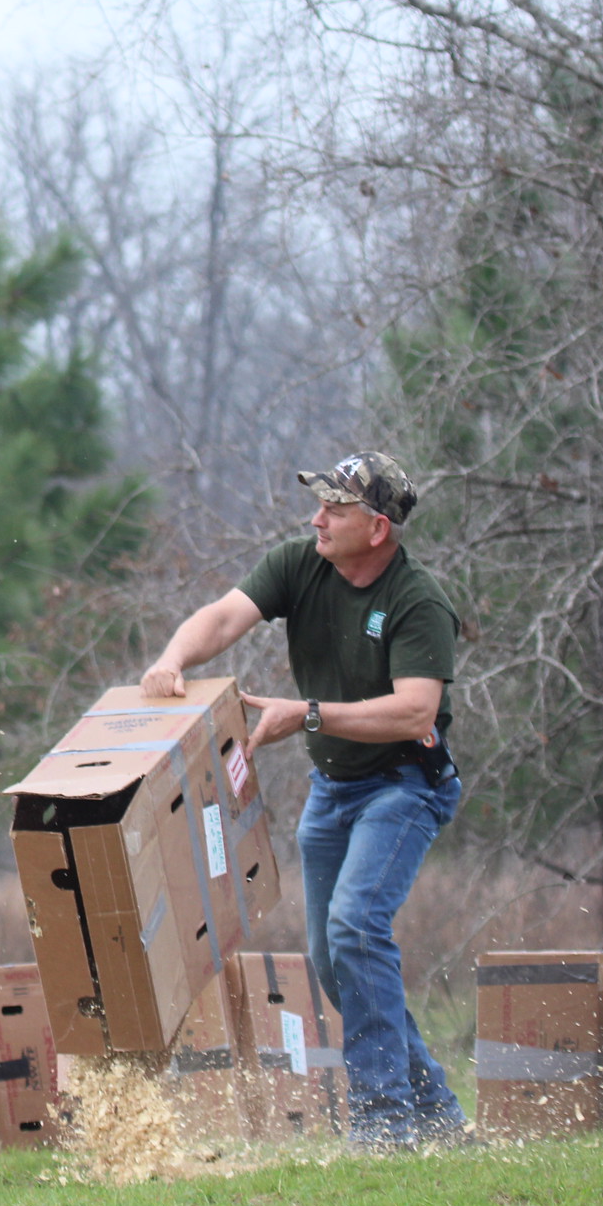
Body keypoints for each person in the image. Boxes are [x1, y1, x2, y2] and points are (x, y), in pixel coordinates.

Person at [140, 451, 467, 1151]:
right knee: (332, 958)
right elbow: (223, 617)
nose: (317, 519)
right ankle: (439, 1116)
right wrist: (172, 659)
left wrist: (309, 714)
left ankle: (384, 1123)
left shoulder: (419, 602)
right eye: (319, 505)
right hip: (334, 790)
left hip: (406, 785)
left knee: (355, 929)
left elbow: (415, 711)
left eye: (334, 509)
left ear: (377, 528)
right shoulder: (300, 564)